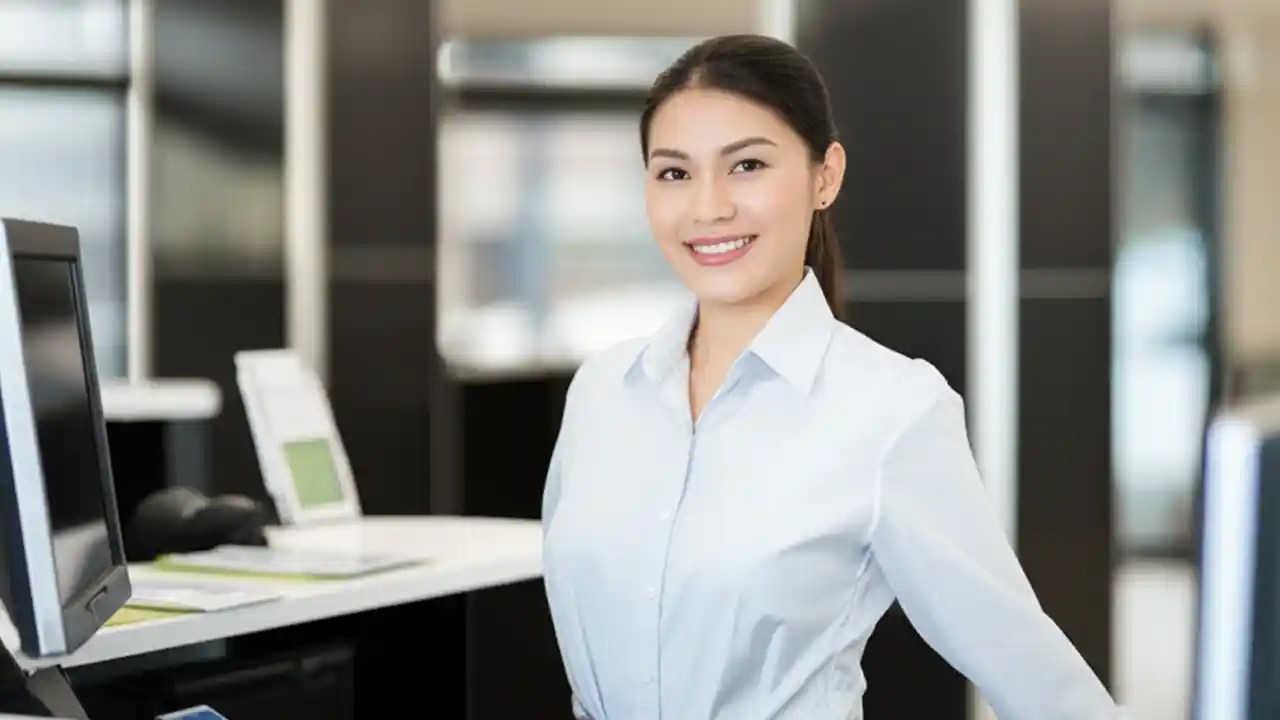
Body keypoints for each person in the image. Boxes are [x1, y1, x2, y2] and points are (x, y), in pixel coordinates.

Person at [540, 34, 1123, 720]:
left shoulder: (890, 410)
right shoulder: (602, 391)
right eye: (674, 173)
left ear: (826, 176)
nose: (708, 207)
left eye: (747, 165)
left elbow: (1023, 660)